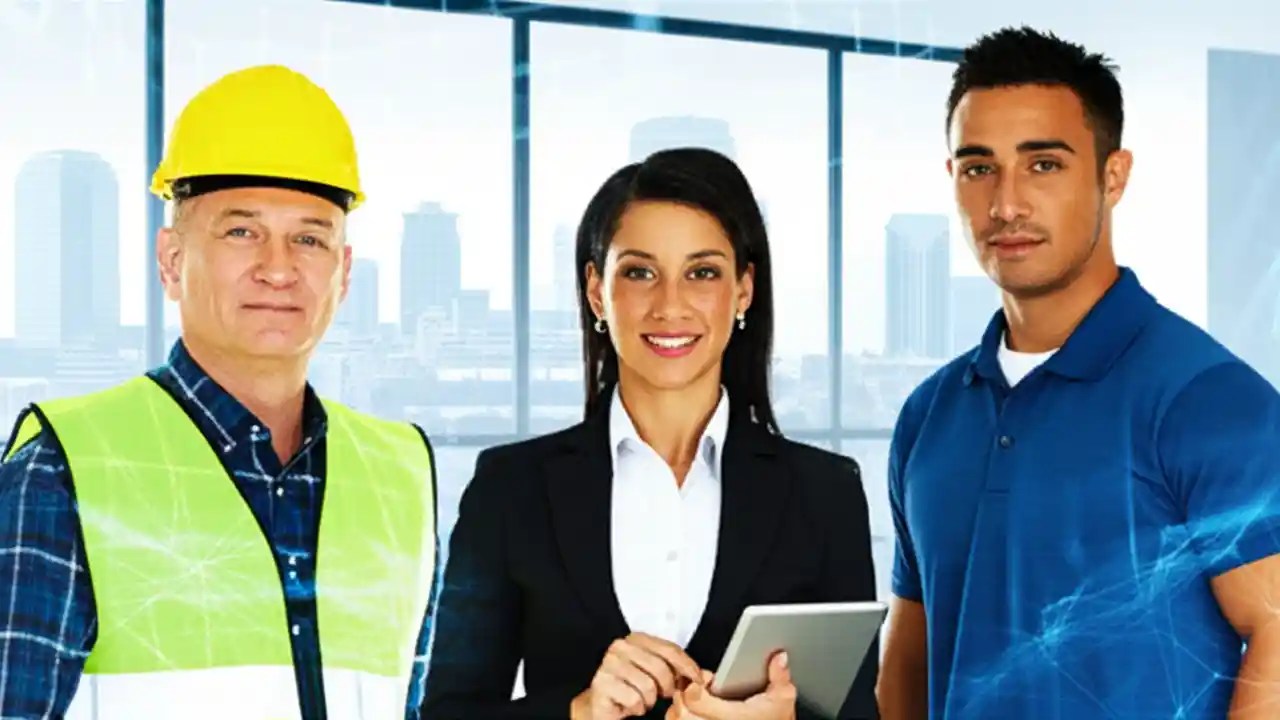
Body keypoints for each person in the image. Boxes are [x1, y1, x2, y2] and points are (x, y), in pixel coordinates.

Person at [0, 64, 439, 719]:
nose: (279, 268)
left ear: (344, 273)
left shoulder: (401, 473)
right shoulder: (63, 469)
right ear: (171, 260)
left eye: (310, 238)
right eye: (242, 231)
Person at [876, 26, 1280, 720]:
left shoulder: (1209, 400)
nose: (1005, 204)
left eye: (1043, 165)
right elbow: (910, 660)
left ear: (1112, 175)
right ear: (954, 180)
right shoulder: (928, 415)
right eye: (979, 168)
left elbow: (1274, 631)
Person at [419, 147, 880, 720]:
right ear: (596, 291)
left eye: (702, 272)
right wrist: (579, 712)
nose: (670, 305)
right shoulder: (511, 489)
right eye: (639, 272)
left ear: (743, 291)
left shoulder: (824, 493)